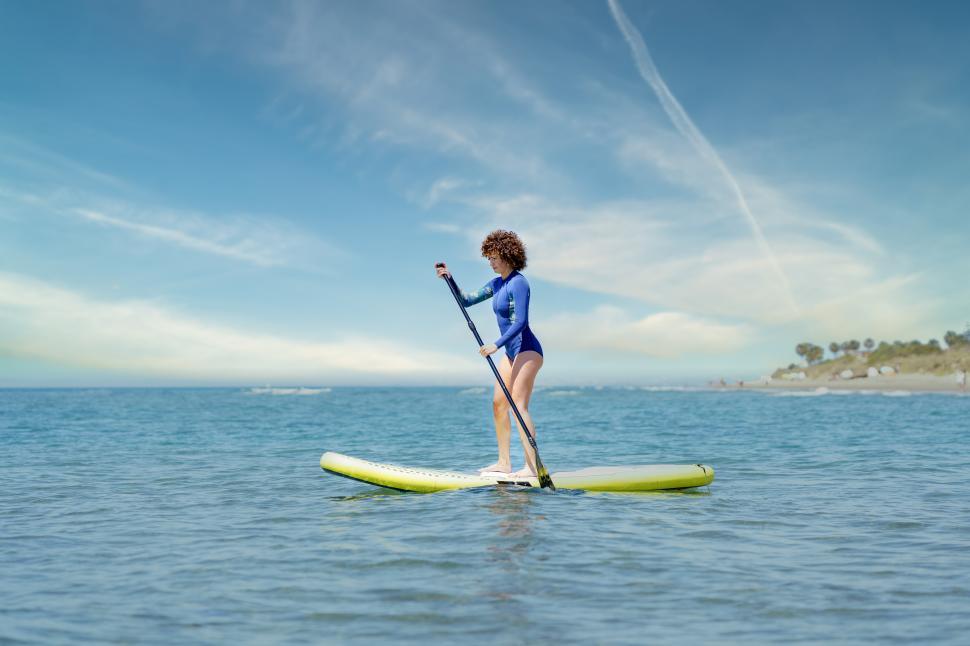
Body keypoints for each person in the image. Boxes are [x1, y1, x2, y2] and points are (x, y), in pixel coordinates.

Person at [435, 230, 543, 477]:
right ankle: (504, 463)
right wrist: (449, 278)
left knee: (518, 405)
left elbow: (521, 322)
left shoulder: (519, 282)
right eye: (489, 258)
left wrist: (496, 344)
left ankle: (532, 467)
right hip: (511, 353)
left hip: (527, 350)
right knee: (498, 404)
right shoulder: (496, 284)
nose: (491, 263)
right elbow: (466, 300)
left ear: (507, 256)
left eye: (494, 258)